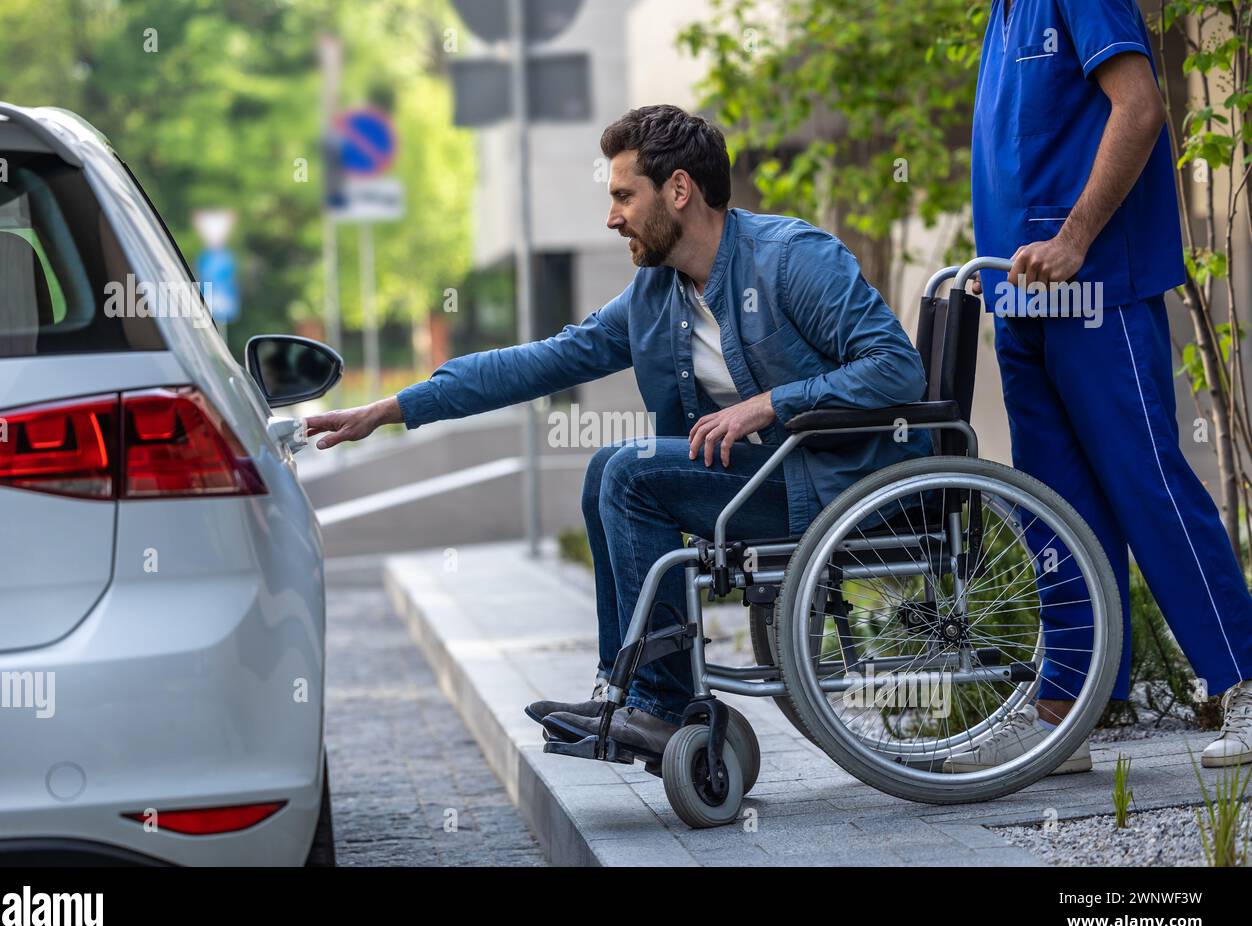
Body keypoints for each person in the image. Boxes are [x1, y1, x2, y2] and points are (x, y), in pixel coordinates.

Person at [306, 104, 932, 755]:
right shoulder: (657, 294)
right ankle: (627, 690)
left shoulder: (791, 259)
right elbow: (541, 362)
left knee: (632, 471)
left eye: (624, 196)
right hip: (768, 483)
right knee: (613, 465)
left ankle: (657, 703)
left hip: (845, 482)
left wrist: (771, 402)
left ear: (680, 190)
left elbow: (896, 370)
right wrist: (396, 408)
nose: (611, 217)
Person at [948, 0, 1252, 772]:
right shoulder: (1001, 13)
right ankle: (1070, 707)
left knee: (1147, 485)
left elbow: (1141, 107)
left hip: (1098, 292)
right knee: (1057, 507)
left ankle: (1244, 680)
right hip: (1023, 302)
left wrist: (1074, 237)